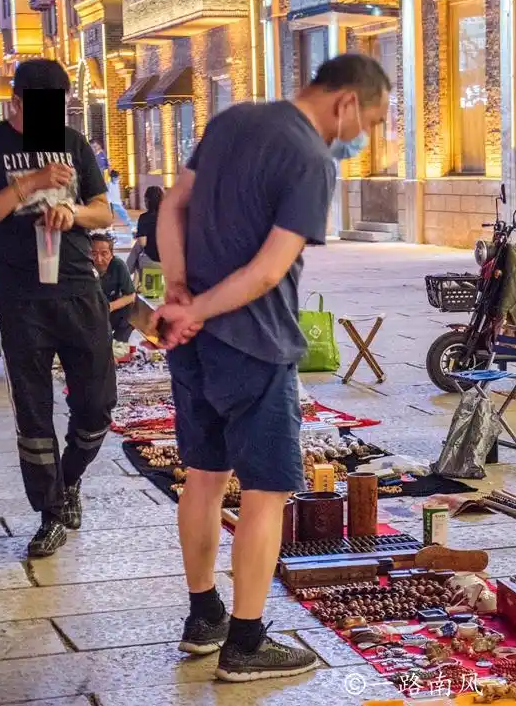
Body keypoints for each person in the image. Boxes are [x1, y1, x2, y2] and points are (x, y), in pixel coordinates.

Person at [152, 53, 391, 682]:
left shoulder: (232, 120)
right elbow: (266, 272)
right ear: (345, 103)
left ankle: (204, 616)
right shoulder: (310, 159)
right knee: (266, 490)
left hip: (194, 346)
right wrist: (197, 308)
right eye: (371, 119)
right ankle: (248, 642)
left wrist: (179, 294)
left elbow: (171, 206)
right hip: (254, 343)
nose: (365, 135)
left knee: (203, 477)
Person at [0, 58, 117, 559]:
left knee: (97, 405)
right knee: (33, 412)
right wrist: (29, 184)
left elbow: (104, 209)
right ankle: (50, 513)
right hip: (23, 296)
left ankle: (69, 479)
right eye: (41, 108)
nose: (53, 118)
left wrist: (73, 212)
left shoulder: (72, 141)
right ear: (17, 102)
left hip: (77, 288)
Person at [90, 232, 136, 342]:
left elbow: (131, 295)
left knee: (133, 308)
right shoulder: (81, 267)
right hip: (87, 315)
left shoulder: (118, 265)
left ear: (111, 254)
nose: (99, 259)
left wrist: (109, 307)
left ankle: (119, 343)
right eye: (94, 253)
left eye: (104, 253)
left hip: (110, 312)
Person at [127, 185, 163, 277]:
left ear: (147, 201)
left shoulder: (144, 217)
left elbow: (143, 243)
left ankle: (126, 274)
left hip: (151, 262)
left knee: (137, 247)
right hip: (171, 263)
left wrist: (139, 234)